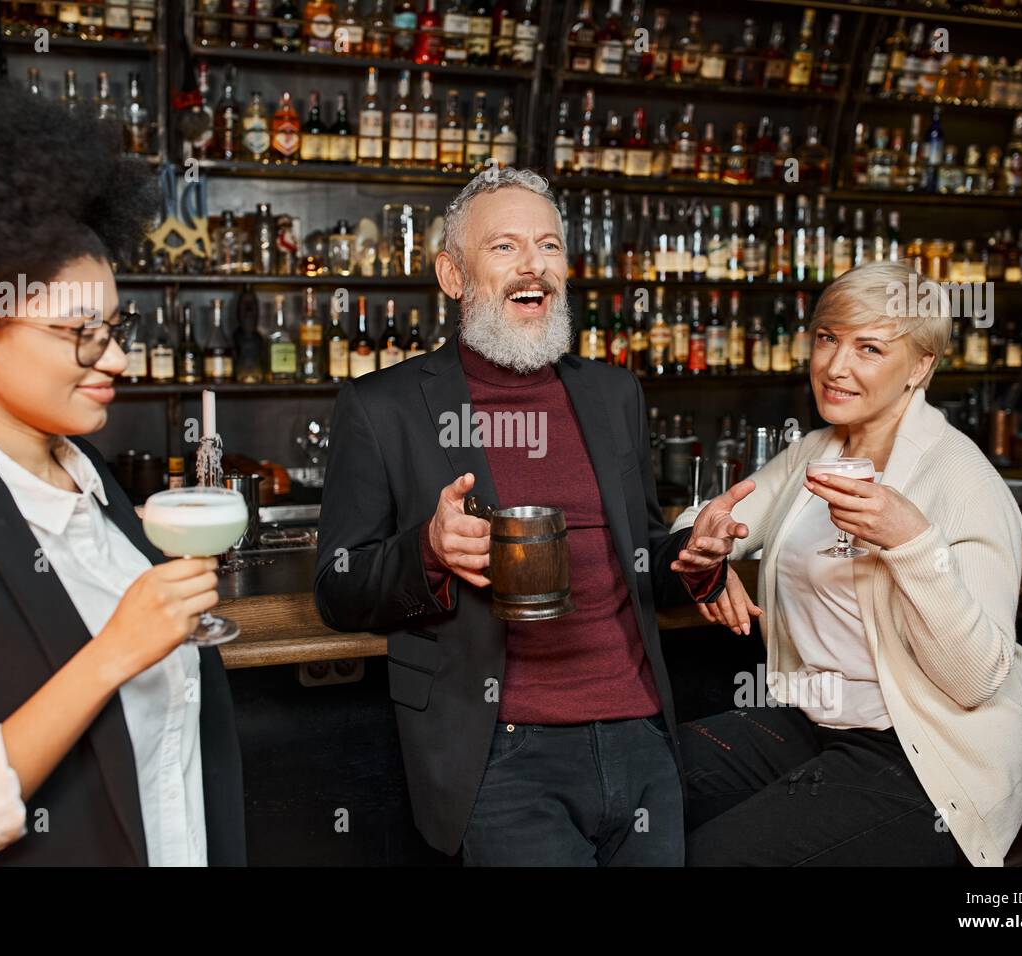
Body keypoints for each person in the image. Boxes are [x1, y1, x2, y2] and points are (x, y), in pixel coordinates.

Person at [0, 84, 245, 866]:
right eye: (79, 334)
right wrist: (110, 654)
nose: (118, 359)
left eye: (115, 328)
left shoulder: (91, 480)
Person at [314, 167, 750, 866]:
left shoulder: (612, 394)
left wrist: (691, 555)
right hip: (501, 755)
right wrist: (428, 550)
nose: (534, 267)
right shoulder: (382, 407)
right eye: (505, 248)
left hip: (640, 739)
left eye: (548, 247)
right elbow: (338, 590)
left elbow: (642, 559)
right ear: (452, 276)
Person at [671, 260, 1022, 866]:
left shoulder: (962, 481)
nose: (835, 367)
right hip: (813, 724)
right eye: (826, 338)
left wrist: (911, 542)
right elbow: (709, 524)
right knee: (632, 784)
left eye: (869, 348)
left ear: (920, 366)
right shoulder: (816, 452)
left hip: (924, 754)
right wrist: (705, 558)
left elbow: (978, 680)